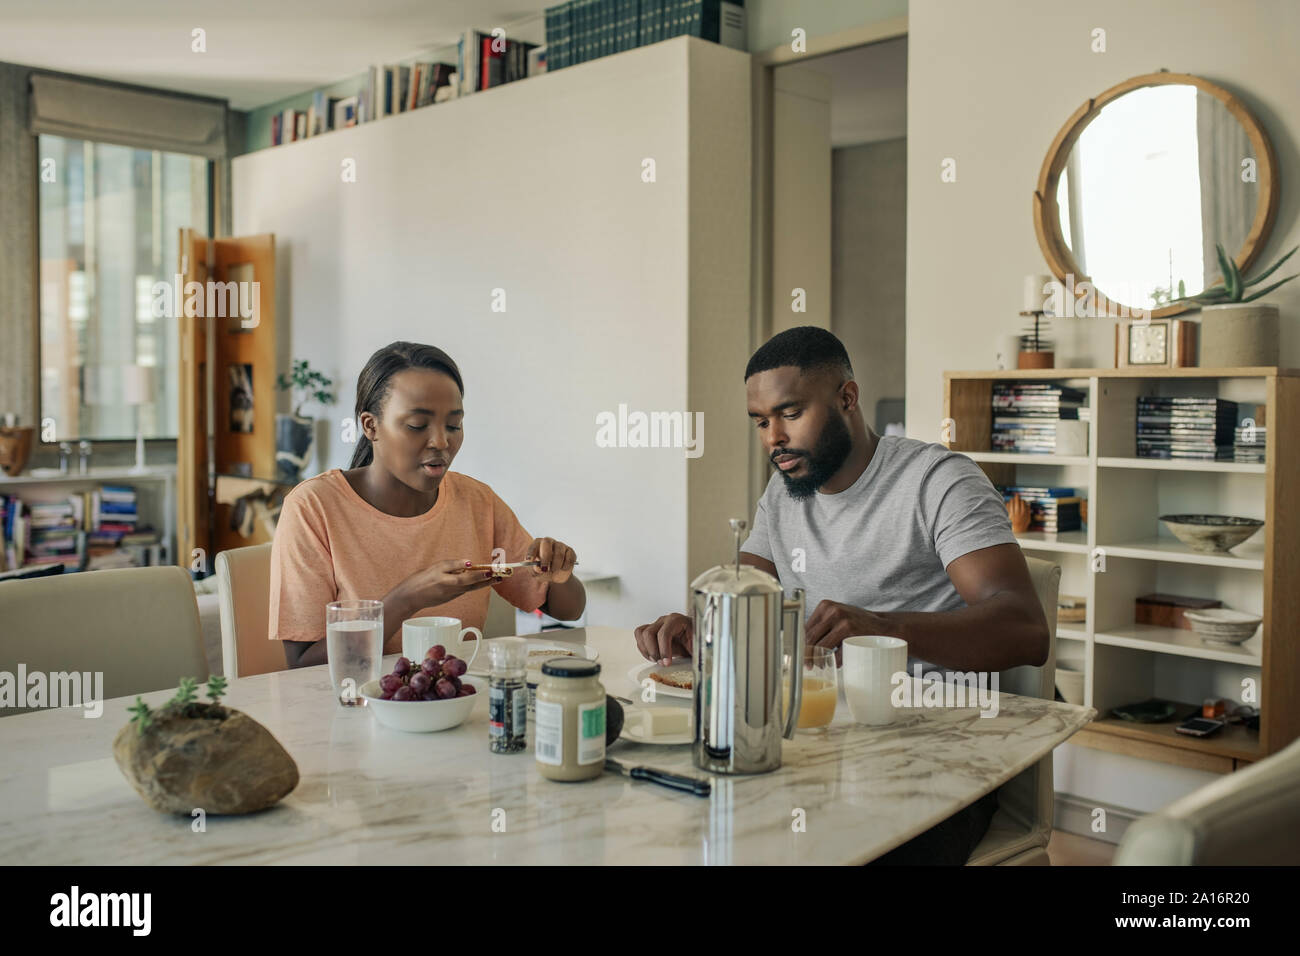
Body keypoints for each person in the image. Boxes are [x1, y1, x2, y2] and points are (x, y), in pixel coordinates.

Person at [632, 326, 1049, 864]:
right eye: (761, 421)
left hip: (944, 754)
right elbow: (745, 591)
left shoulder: (938, 481)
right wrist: (699, 625)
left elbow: (1024, 630)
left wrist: (883, 628)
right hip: (829, 743)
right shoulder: (783, 494)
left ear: (846, 398)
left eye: (790, 413)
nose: (772, 438)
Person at [270, 341, 586, 668]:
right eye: (418, 426)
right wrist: (409, 599)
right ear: (370, 426)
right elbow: (304, 665)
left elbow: (569, 609)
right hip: (353, 709)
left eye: (453, 425)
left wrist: (559, 573)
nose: (441, 442)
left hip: (457, 705)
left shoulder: (478, 503)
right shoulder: (313, 507)